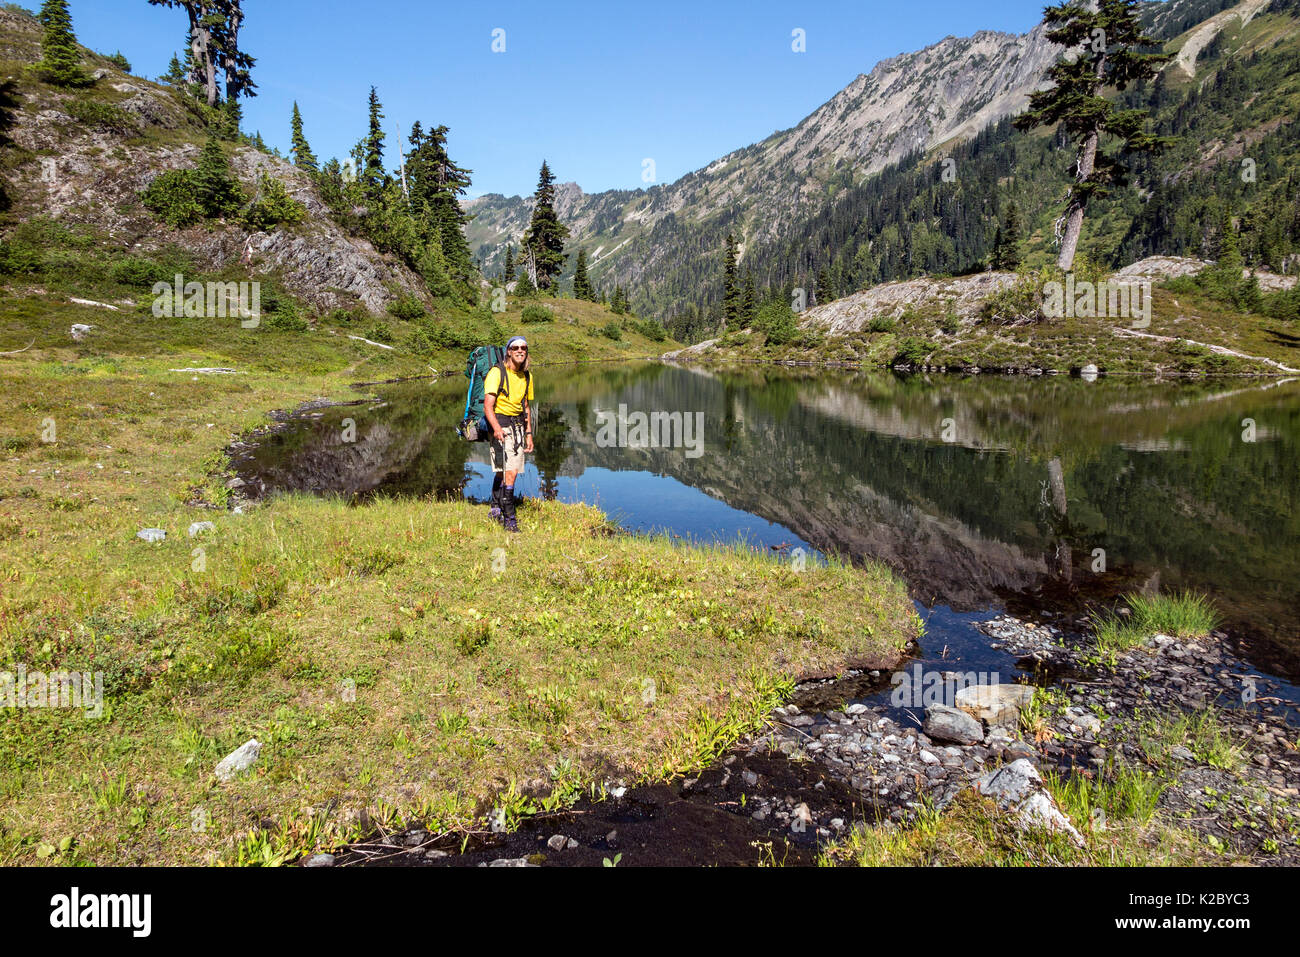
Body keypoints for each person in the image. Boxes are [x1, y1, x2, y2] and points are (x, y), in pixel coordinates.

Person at [483, 336, 534, 532]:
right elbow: (488, 406)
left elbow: (526, 406)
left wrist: (529, 434)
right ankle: (510, 520)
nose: (520, 350)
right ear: (509, 352)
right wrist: (496, 428)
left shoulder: (527, 376)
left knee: (503, 470)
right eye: (516, 348)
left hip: (519, 427)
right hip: (501, 425)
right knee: (510, 473)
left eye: (524, 348)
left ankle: (495, 507)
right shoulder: (497, 373)